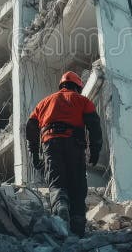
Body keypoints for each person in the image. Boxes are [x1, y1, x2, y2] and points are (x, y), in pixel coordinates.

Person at [25, 72, 102, 236]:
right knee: (78, 186)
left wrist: (34, 154)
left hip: (51, 144)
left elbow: (31, 127)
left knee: (57, 183)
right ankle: (78, 228)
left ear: (62, 85)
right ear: (77, 87)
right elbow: (94, 126)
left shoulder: (44, 102)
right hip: (74, 144)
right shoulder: (83, 101)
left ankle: (60, 207)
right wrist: (95, 150)